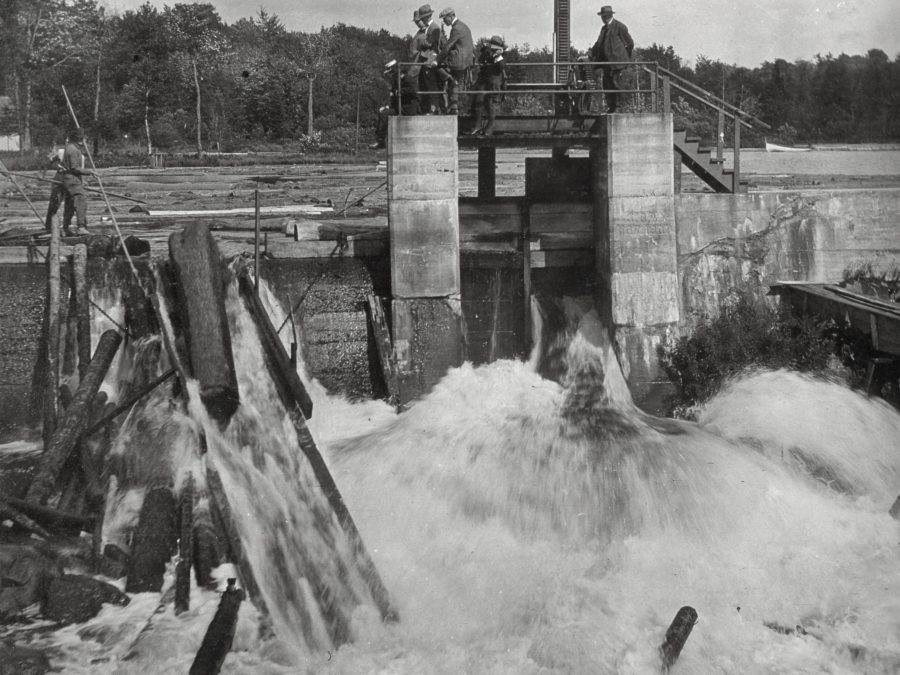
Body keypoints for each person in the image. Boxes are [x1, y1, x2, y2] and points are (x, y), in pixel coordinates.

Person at [589, 5, 633, 113]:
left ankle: (618, 108)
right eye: (602, 16)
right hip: (607, 64)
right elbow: (599, 44)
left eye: (605, 16)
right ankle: (611, 107)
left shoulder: (619, 27)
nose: (603, 18)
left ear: (609, 15)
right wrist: (590, 53)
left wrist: (623, 58)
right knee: (607, 85)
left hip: (618, 64)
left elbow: (630, 43)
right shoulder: (604, 29)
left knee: (617, 85)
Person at [436, 7, 473, 114]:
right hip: (466, 60)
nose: (444, 21)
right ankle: (453, 107)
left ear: (451, 16)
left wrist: (437, 60)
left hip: (459, 61)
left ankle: (452, 107)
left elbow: (448, 46)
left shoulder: (456, 28)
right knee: (455, 85)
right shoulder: (463, 26)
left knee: (439, 69)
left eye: (445, 18)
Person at [467, 35, 506, 136]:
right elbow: (481, 61)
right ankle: (478, 125)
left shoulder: (499, 56)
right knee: (478, 101)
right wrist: (486, 53)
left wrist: (496, 56)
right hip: (484, 81)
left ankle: (489, 127)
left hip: (494, 81)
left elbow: (500, 67)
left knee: (491, 104)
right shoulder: (487, 52)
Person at [60, 127, 94, 236]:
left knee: (69, 204)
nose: (85, 142)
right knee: (80, 200)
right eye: (84, 139)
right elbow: (74, 168)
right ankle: (81, 227)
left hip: (68, 179)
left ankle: (65, 228)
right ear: (80, 139)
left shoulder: (69, 147)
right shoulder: (74, 150)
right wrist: (90, 172)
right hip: (72, 180)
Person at [416, 4, 447, 114]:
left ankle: (436, 109)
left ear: (425, 17)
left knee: (432, 86)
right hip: (428, 60)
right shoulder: (431, 28)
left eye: (421, 18)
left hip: (430, 61)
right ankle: (435, 109)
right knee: (430, 86)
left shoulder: (434, 28)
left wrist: (422, 43)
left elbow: (433, 45)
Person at [43, 145, 67, 234]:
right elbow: (48, 163)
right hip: (59, 182)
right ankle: (49, 226)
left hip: (70, 181)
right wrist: (42, 174)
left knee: (72, 205)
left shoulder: (79, 155)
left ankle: (66, 227)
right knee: (54, 204)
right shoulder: (60, 153)